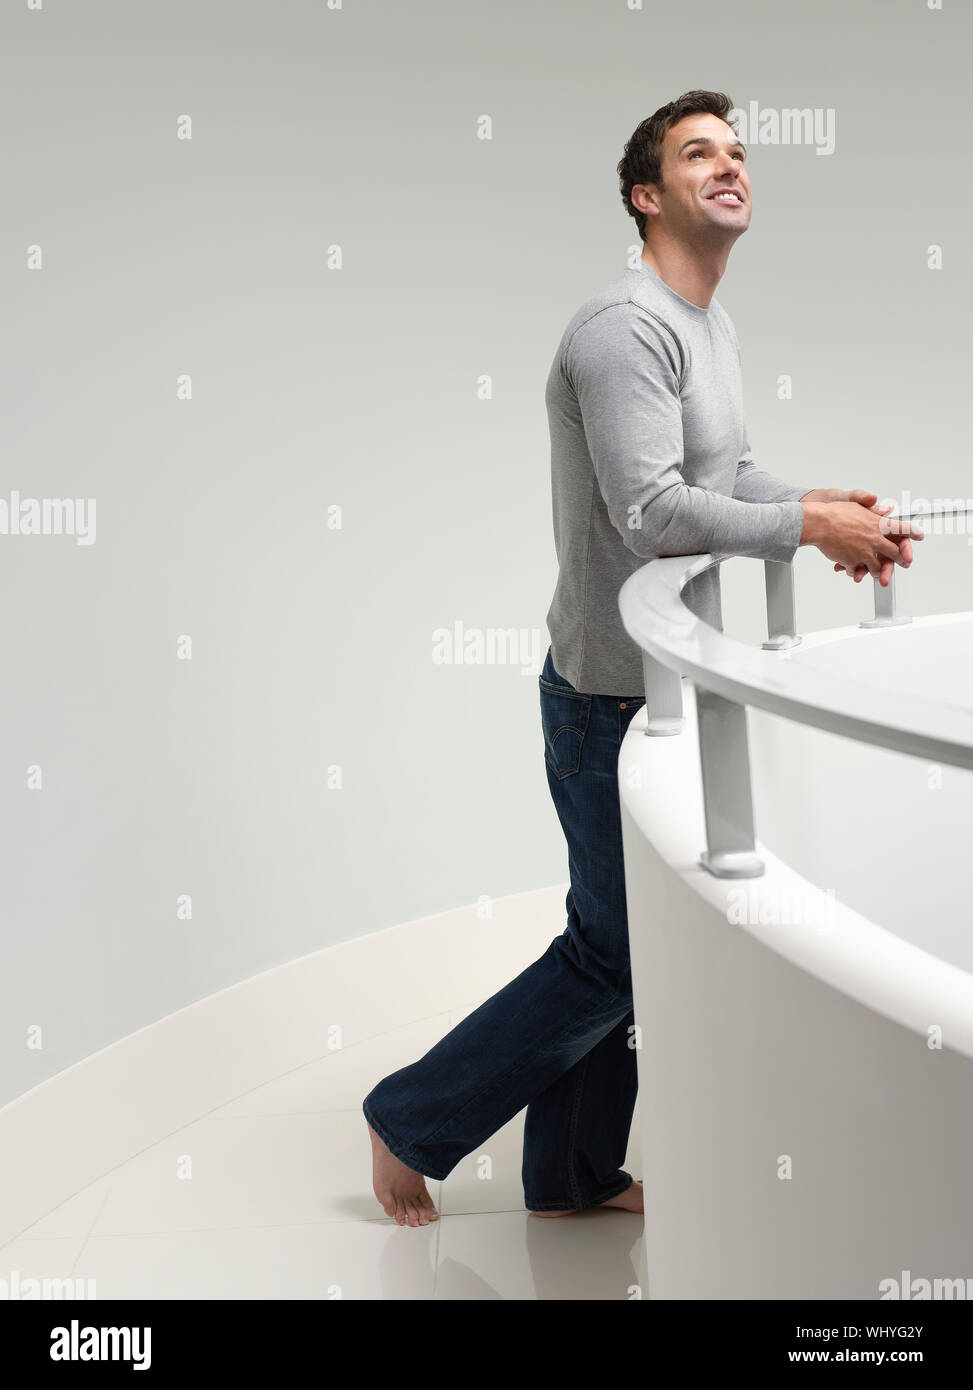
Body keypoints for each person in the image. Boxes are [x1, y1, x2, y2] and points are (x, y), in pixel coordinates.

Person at [363, 89, 923, 1228]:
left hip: (665, 683)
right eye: (697, 153)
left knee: (622, 948)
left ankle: (567, 1176)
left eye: (737, 151)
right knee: (617, 957)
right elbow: (652, 513)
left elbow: (730, 473)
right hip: (607, 697)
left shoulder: (706, 323)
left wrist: (821, 503)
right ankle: (408, 1116)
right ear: (645, 193)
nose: (729, 166)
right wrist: (810, 529)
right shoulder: (625, 330)